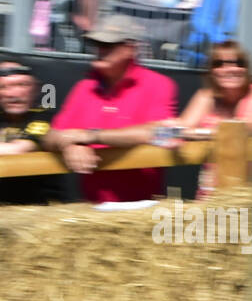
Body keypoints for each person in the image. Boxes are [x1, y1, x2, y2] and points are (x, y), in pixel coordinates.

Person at [46, 17, 179, 205]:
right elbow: (52, 136)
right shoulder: (84, 87)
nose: (100, 50)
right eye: (97, 44)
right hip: (92, 208)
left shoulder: (159, 85)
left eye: (108, 44)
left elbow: (162, 133)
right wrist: (69, 145)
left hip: (143, 207)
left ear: (130, 48)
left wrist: (88, 136)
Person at [168, 40, 252, 196]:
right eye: (219, 63)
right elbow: (178, 128)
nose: (229, 69)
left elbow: (247, 128)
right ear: (212, 71)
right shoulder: (205, 96)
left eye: (237, 63)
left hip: (249, 194)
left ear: (246, 68)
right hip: (210, 192)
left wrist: (199, 132)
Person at [0, 62, 66, 205]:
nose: (13, 94)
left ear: (35, 89)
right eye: (4, 87)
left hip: (36, 206)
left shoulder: (46, 118)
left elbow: (18, 149)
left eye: (21, 85)